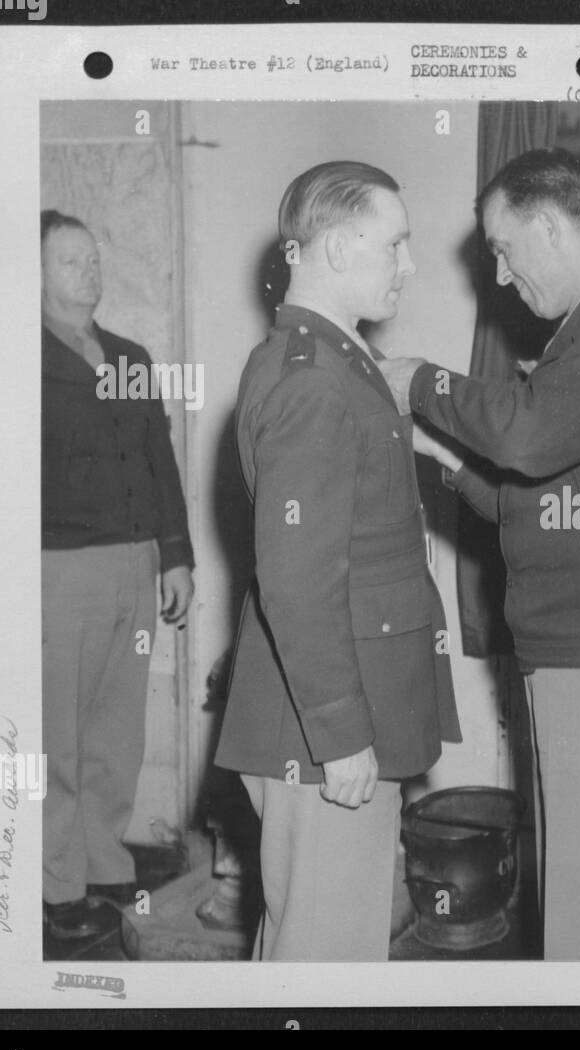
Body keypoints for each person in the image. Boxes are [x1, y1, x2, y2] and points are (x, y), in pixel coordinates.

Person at [379, 148, 580, 961]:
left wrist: (422, 381)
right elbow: (537, 496)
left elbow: (528, 438)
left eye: (502, 247)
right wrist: (448, 460)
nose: (499, 276)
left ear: (550, 226)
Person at [214, 161, 460, 962]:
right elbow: (297, 576)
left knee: (313, 940)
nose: (409, 265)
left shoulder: (335, 359)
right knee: (326, 955)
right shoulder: (314, 380)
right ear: (342, 245)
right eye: (396, 244)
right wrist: (342, 734)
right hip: (323, 727)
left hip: (339, 706)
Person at [41, 210, 195, 940]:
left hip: (135, 568)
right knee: (57, 736)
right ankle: (57, 885)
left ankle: (106, 864)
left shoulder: (131, 357)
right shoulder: (20, 364)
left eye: (93, 257)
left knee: (116, 733)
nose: (88, 271)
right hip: (59, 573)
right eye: (70, 260)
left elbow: (160, 465)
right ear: (35, 275)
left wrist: (177, 556)